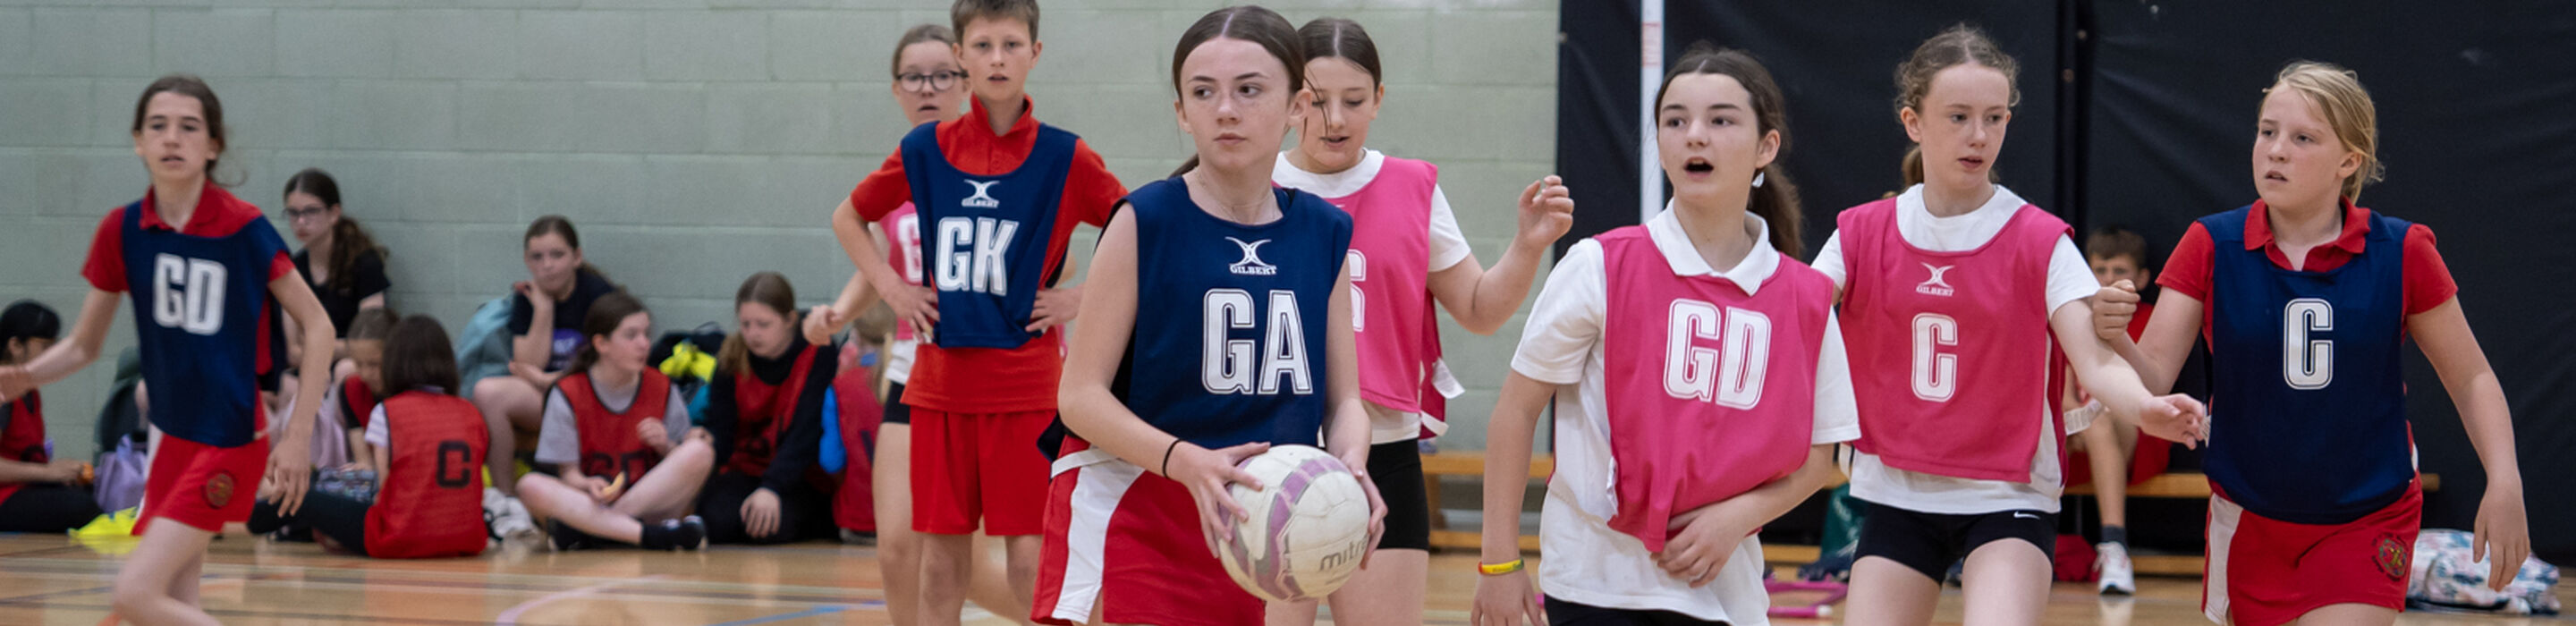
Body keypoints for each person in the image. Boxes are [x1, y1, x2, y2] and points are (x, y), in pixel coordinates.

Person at [2093, 61, 2528, 626]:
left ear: (2349, 161)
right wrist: (2115, 337)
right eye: (2267, 131)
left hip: (2367, 514)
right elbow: (2152, 375)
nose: (2275, 150)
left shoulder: (2401, 250)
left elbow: (2471, 378)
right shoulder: (2211, 242)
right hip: (2249, 515)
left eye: (2302, 139)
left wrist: (2505, 479)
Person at [1816, 26, 2203, 626]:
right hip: (1899, 491)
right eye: (1959, 117)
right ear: (1913, 122)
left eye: (1994, 118)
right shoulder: (1861, 232)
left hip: (2008, 494)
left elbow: (2095, 360)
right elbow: (1793, 318)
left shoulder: (2040, 239)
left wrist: (2144, 408)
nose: (1979, 135)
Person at [1470, 43, 1850, 626]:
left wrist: (1736, 518)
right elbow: (1516, 412)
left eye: (1720, 120)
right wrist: (1499, 561)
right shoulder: (1599, 265)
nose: (1694, 135)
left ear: (1766, 147)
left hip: (1726, 590)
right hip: (1596, 583)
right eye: (1675, 121)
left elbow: (1819, 458)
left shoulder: (1804, 297)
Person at [1033, 7, 1383, 624]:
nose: (1225, 109)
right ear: (1181, 112)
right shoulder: (1145, 220)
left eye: (1249, 90)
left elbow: (1344, 400)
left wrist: (1349, 465)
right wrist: (1183, 460)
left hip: (1249, 519)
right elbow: (1079, 397)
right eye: (1203, 92)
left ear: (1297, 106)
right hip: (1135, 503)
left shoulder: (1324, 232)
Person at [824, 2, 1130, 622]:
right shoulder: (925, 148)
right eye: (983, 45)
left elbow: (1140, 231)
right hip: (940, 388)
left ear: (1034, 54)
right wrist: (893, 288)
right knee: (939, 564)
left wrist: (1078, 299)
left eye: (1011, 45)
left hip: (1026, 389)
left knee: (1029, 561)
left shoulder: (1065, 156)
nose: (997, 59)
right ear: (961, 56)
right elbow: (849, 216)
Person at [0, 74, 336, 626]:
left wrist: (297, 437)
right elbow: (83, 346)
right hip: (170, 439)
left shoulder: (243, 227)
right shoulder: (123, 230)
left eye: (189, 127)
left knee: (134, 594)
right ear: (138, 141)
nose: (172, 138)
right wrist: (24, 377)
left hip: (229, 436)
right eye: (157, 126)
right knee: (176, 605)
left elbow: (319, 327)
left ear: (214, 145)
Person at [1265, 18, 1571, 625]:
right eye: (1317, 101)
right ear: (1291, 101)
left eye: (1354, 100)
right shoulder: (1254, 183)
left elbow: (1480, 310)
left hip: (1385, 452)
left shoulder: (1411, 186)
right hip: (1272, 453)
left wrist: (1527, 246)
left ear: (1379, 99)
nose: (1335, 119)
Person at [802, 21, 1036, 625]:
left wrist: (1065, 301)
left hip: (995, 379)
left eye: (940, 75)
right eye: (913, 77)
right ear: (896, 89)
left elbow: (1054, 260)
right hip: (914, 373)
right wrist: (840, 312)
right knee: (898, 548)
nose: (927, 88)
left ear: (965, 80)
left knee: (988, 561)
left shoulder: (1004, 164)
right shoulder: (904, 167)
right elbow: (882, 260)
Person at [248, 316, 490, 559]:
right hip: (467, 537)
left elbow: (383, 491)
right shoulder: (472, 412)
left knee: (306, 497)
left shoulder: (388, 411)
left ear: (394, 361)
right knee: (325, 498)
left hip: (398, 537)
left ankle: (256, 513)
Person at [513, 292, 712, 551]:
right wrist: (587, 484)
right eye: (631, 335)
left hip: (648, 508)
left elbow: (680, 467)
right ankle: (645, 535)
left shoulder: (661, 386)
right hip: (592, 503)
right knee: (529, 486)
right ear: (601, 344)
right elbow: (569, 474)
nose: (644, 344)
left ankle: (597, 534)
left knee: (700, 451)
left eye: (646, 334)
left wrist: (666, 446)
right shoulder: (569, 392)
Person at [470, 215, 618, 496]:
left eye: (557, 255)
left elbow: (605, 368)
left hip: (592, 397)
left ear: (576, 257)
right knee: (486, 392)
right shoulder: (527, 297)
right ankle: (505, 498)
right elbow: (527, 365)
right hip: (552, 394)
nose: (547, 265)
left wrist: (548, 379)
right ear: (527, 261)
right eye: (537, 257)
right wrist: (543, 310)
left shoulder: (599, 296)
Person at [2063, 225, 2174, 595]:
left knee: (2101, 420)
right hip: (2076, 436)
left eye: (2119, 271)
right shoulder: (2071, 316)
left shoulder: (2151, 318)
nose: (2108, 279)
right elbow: (2063, 394)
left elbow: (2148, 388)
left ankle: (2114, 546)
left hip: (2135, 433)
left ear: (2141, 279)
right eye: (2100, 270)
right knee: (2039, 422)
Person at [698, 273, 835, 545]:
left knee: (771, 526)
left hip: (798, 475)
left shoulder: (818, 351)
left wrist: (773, 487)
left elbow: (806, 434)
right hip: (746, 470)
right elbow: (722, 429)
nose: (753, 334)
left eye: (763, 324)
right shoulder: (732, 356)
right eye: (745, 324)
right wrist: (706, 438)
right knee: (716, 522)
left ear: (790, 320)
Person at [276, 167, 390, 392]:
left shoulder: (365, 264)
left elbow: (370, 344)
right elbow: (293, 351)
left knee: (345, 371)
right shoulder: (293, 269)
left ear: (334, 213)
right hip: (315, 367)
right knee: (287, 383)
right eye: (293, 213)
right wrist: (339, 347)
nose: (301, 221)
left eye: (311, 211)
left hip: (356, 366)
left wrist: (316, 346)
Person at [0, 300, 102, 534]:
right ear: (15, 345)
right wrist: (48, 473)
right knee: (80, 508)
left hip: (20, 489)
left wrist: (60, 473)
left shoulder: (30, 393)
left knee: (88, 492)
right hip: (5, 495)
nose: (53, 356)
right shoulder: (4, 393)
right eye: (45, 347)